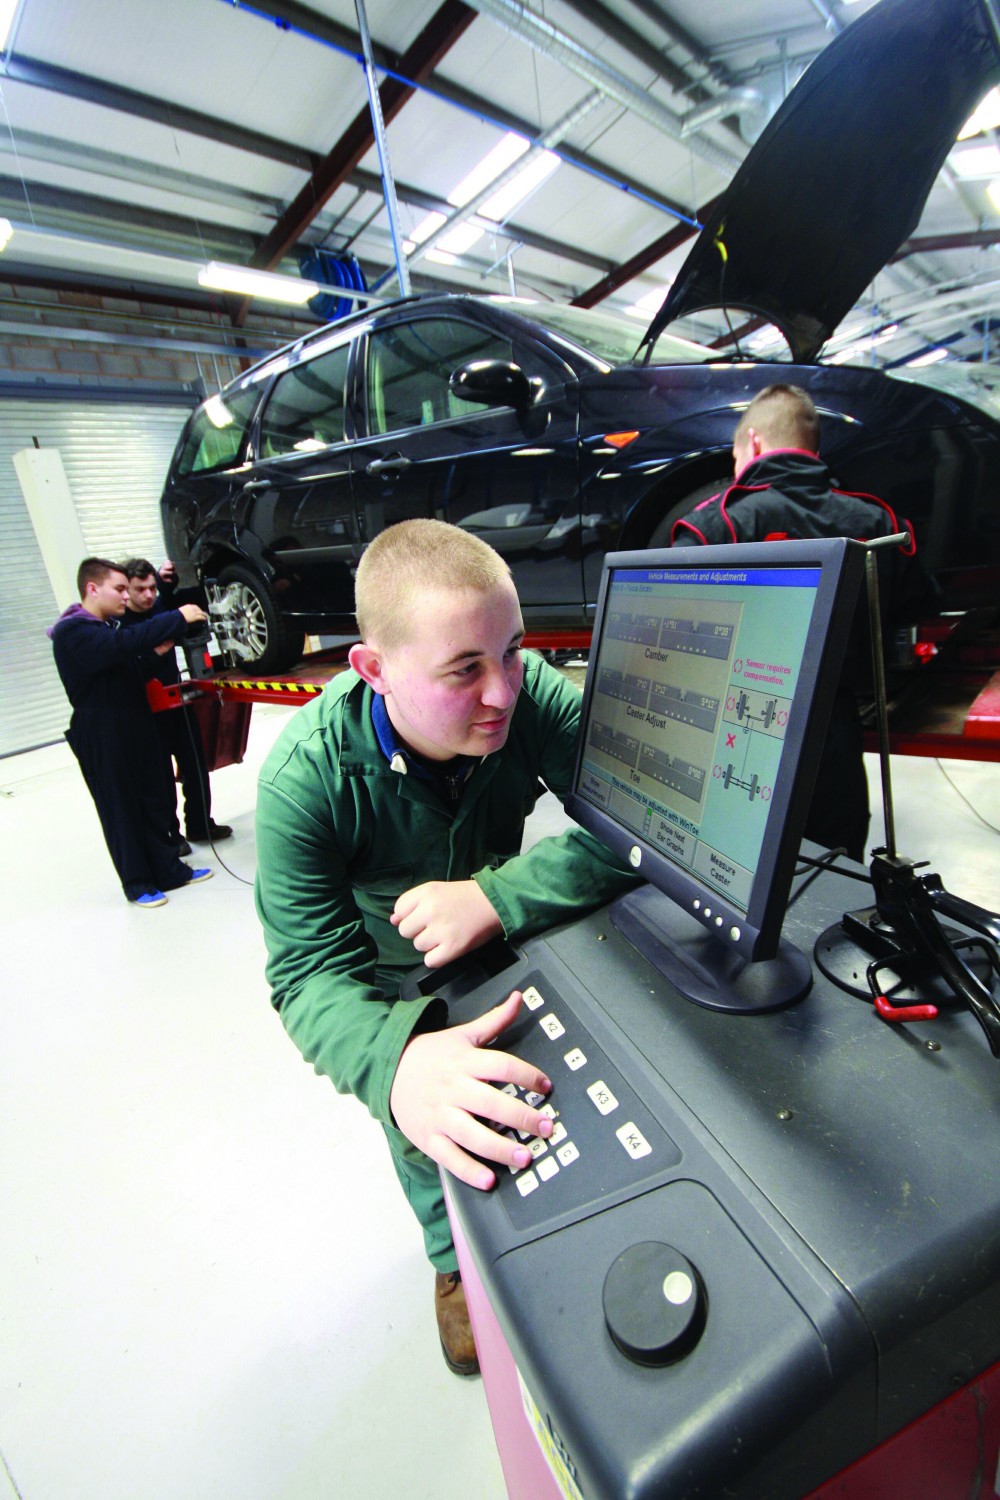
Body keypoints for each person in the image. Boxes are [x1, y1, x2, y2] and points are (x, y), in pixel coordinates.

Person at [254, 519, 635, 1376]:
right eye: (464, 668)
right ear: (374, 670)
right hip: (393, 979)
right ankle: (449, 1263)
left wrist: (495, 896)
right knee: (423, 1109)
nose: (503, 690)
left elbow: (637, 813)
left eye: (513, 649)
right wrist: (394, 1062)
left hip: (500, 927)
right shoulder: (305, 783)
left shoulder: (528, 694)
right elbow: (309, 976)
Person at [670, 382, 921, 861]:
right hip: (839, 747)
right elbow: (913, 612)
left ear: (755, 444)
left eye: (735, 457)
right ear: (813, 448)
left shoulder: (712, 526)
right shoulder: (881, 522)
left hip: (737, 747)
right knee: (836, 880)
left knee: (734, 877)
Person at [50, 557, 215, 907]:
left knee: (155, 797)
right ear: (93, 588)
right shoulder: (72, 632)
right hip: (102, 733)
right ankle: (138, 884)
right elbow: (120, 647)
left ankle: (169, 870)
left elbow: (131, 670)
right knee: (121, 808)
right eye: (120, 589)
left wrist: (156, 654)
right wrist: (175, 617)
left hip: (137, 724)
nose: (127, 597)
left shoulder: (108, 630)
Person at [121, 558, 232, 849]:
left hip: (177, 703)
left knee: (195, 766)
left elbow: (171, 599)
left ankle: (199, 824)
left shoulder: (160, 606)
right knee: (159, 778)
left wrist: (166, 581)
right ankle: (171, 837)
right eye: (140, 589)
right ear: (125, 591)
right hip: (146, 711)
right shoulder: (122, 625)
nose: (148, 595)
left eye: (151, 588)